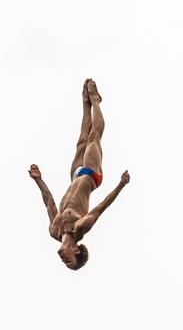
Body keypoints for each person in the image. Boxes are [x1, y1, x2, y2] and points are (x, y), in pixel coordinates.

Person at [27, 79, 132, 270]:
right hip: (92, 175)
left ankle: (85, 102)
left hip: (75, 176)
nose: (63, 259)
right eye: (68, 260)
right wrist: (121, 185)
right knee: (94, 136)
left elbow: (49, 201)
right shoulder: (80, 227)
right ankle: (96, 100)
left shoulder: (54, 230)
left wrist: (38, 179)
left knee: (82, 139)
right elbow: (102, 206)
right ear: (75, 250)